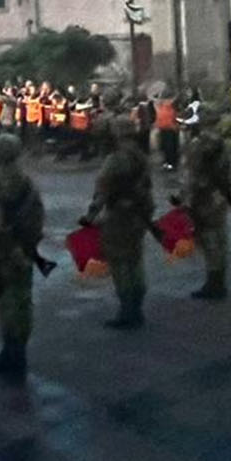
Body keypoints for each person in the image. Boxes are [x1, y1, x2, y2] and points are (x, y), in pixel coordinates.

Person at [0, 134, 45, 379]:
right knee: (22, 301)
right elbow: (38, 215)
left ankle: (11, 354)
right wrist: (29, 243)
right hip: (24, 251)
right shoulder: (28, 183)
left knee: (6, 304)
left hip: (2, 254)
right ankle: (19, 352)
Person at [86, 118, 154, 329]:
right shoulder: (142, 156)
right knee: (135, 260)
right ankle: (137, 307)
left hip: (119, 216)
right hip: (139, 214)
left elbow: (102, 190)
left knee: (120, 263)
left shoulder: (115, 159)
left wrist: (90, 216)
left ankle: (127, 310)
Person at [175, 131, 231, 300]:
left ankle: (214, 284)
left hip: (204, 199)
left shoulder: (199, 144)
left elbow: (193, 176)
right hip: (218, 197)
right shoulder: (220, 142)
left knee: (209, 242)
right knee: (219, 239)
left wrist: (186, 200)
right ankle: (218, 281)